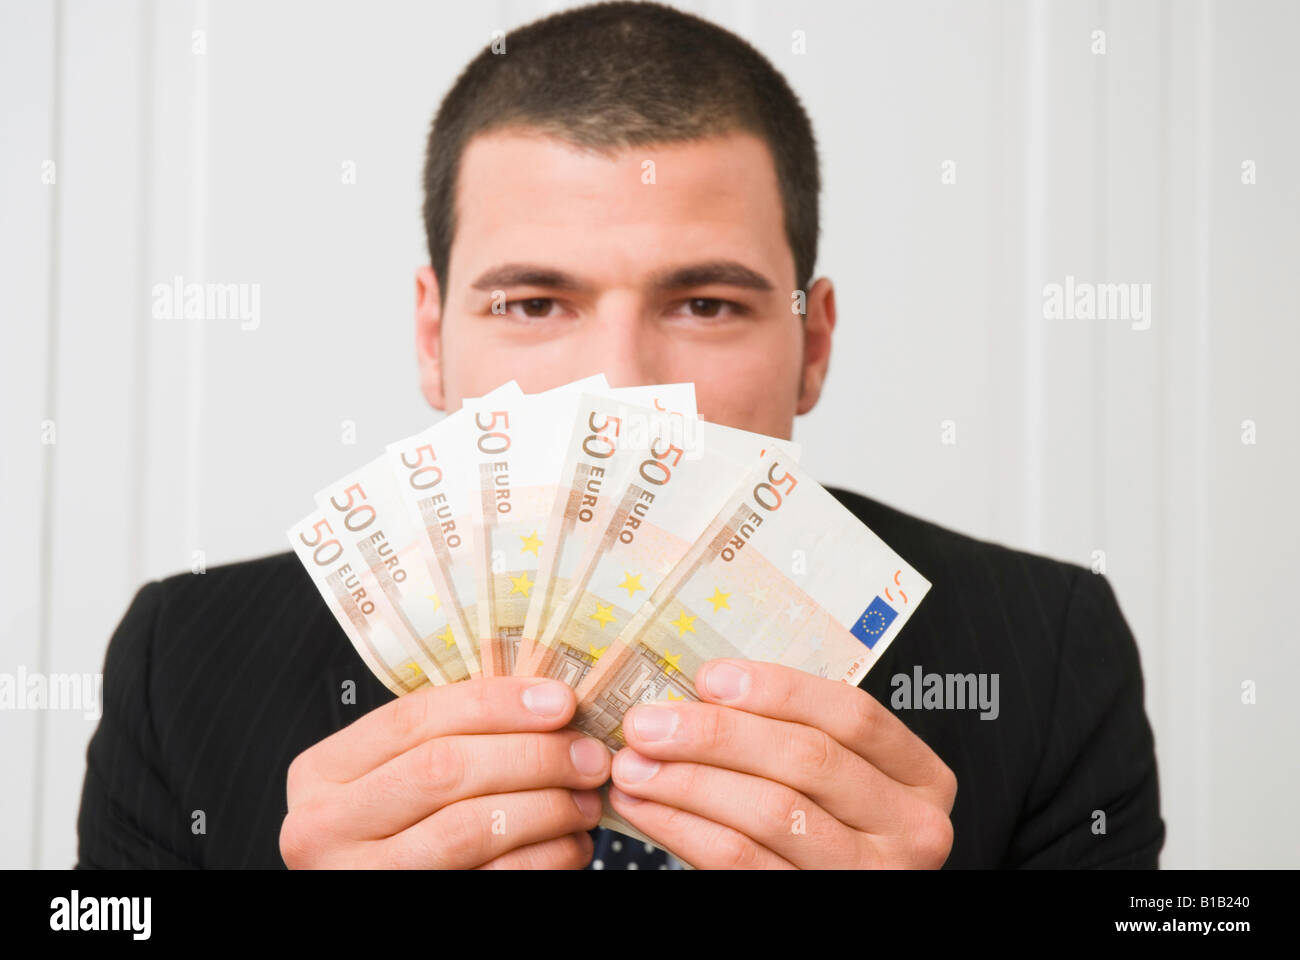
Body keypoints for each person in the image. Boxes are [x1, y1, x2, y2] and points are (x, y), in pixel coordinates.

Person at [77, 1, 1163, 870]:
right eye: (533, 304)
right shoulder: (184, 668)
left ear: (813, 342)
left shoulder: (1045, 654)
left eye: (705, 305)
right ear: (432, 336)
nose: (621, 388)